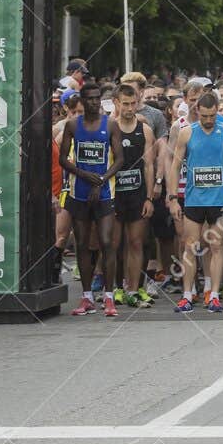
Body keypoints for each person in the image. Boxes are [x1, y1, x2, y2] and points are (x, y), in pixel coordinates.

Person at [168, 91, 223, 313]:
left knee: (217, 245)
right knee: (191, 245)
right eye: (204, 116)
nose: (208, 120)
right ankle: (187, 295)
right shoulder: (187, 133)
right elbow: (175, 166)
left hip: (218, 197)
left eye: (212, 116)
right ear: (197, 111)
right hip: (194, 198)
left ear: (217, 111)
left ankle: (214, 295)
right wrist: (173, 198)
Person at [59, 82, 118, 317]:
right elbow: (63, 159)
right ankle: (87, 297)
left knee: (106, 242)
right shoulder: (73, 125)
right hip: (79, 190)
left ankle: (109, 296)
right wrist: (83, 174)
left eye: (97, 98)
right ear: (82, 101)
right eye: (90, 98)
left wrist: (101, 179)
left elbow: (120, 159)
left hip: (104, 191)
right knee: (82, 244)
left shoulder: (110, 125)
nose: (94, 102)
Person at [109, 81, 157, 308]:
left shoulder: (144, 130)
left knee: (136, 242)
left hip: (137, 195)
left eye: (133, 103)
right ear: (116, 103)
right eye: (125, 104)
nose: (129, 108)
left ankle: (133, 289)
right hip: (114, 195)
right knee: (115, 244)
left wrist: (149, 197)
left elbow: (149, 165)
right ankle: (115, 288)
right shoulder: (109, 129)